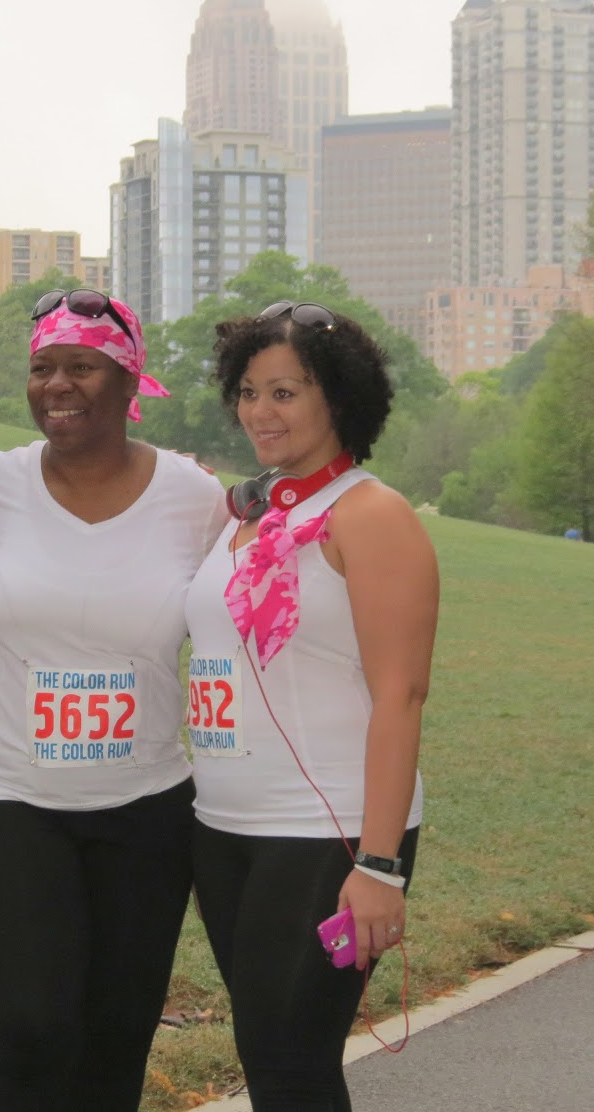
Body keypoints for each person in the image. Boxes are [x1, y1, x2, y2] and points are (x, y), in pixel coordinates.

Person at [0, 288, 228, 1110]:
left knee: (115, 1041)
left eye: (80, 367)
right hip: (3, 797)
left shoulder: (193, 498)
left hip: (146, 809)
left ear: (128, 379)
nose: (56, 385)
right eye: (42, 368)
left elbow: (228, 624)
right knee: (25, 1028)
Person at [184, 300, 439, 1111]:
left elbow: (401, 694)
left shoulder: (372, 516)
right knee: (271, 1062)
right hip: (224, 829)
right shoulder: (245, 519)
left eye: (287, 392)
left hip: (325, 833)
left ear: (337, 397)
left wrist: (378, 865)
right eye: (250, 391)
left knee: (292, 1067)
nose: (262, 412)